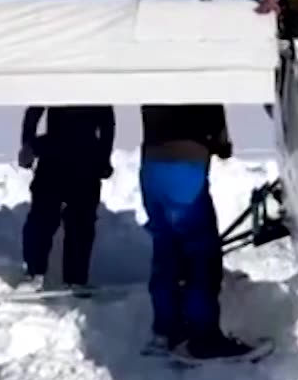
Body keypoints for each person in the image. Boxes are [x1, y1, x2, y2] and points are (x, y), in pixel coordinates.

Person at [138, 103, 256, 359]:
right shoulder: (197, 67)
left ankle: (166, 331)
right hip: (184, 165)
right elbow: (211, 107)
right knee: (201, 254)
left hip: (150, 166)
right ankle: (204, 339)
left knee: (166, 249)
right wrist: (221, 142)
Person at [18, 105, 116, 293]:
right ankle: (35, 272)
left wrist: (104, 157)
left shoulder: (97, 83)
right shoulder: (56, 78)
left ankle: (75, 278)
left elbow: (107, 121)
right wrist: (28, 145)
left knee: (79, 221)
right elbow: (34, 111)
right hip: (57, 154)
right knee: (44, 218)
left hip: (82, 156)